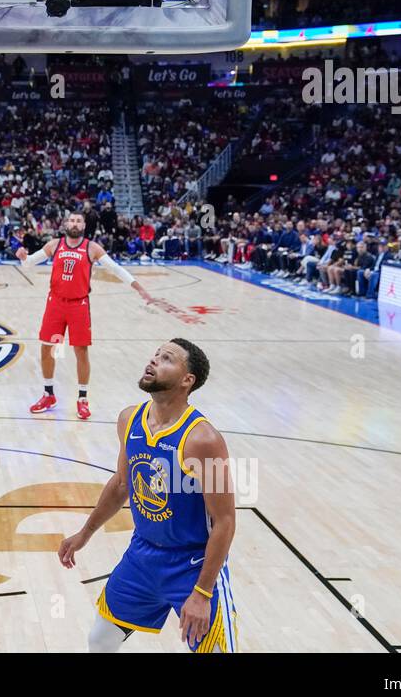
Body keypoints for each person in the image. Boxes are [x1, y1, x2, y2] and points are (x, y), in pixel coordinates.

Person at [58, 338, 237, 652]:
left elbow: (225, 521)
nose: (153, 361)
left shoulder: (203, 440)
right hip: (142, 556)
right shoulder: (130, 419)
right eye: (155, 354)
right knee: (99, 641)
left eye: (166, 358)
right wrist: (84, 533)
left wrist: (203, 593)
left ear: (187, 380)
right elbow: (122, 485)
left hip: (192, 564)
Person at [18, 211, 156, 420]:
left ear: (84, 226)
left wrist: (138, 287)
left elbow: (116, 269)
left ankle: (82, 398)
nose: (74, 223)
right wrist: (23, 257)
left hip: (79, 305)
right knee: (48, 349)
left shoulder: (92, 248)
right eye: (71, 220)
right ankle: (48, 394)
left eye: (78, 221)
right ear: (66, 223)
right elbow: (28, 264)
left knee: (81, 352)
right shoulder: (54, 245)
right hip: (55, 303)